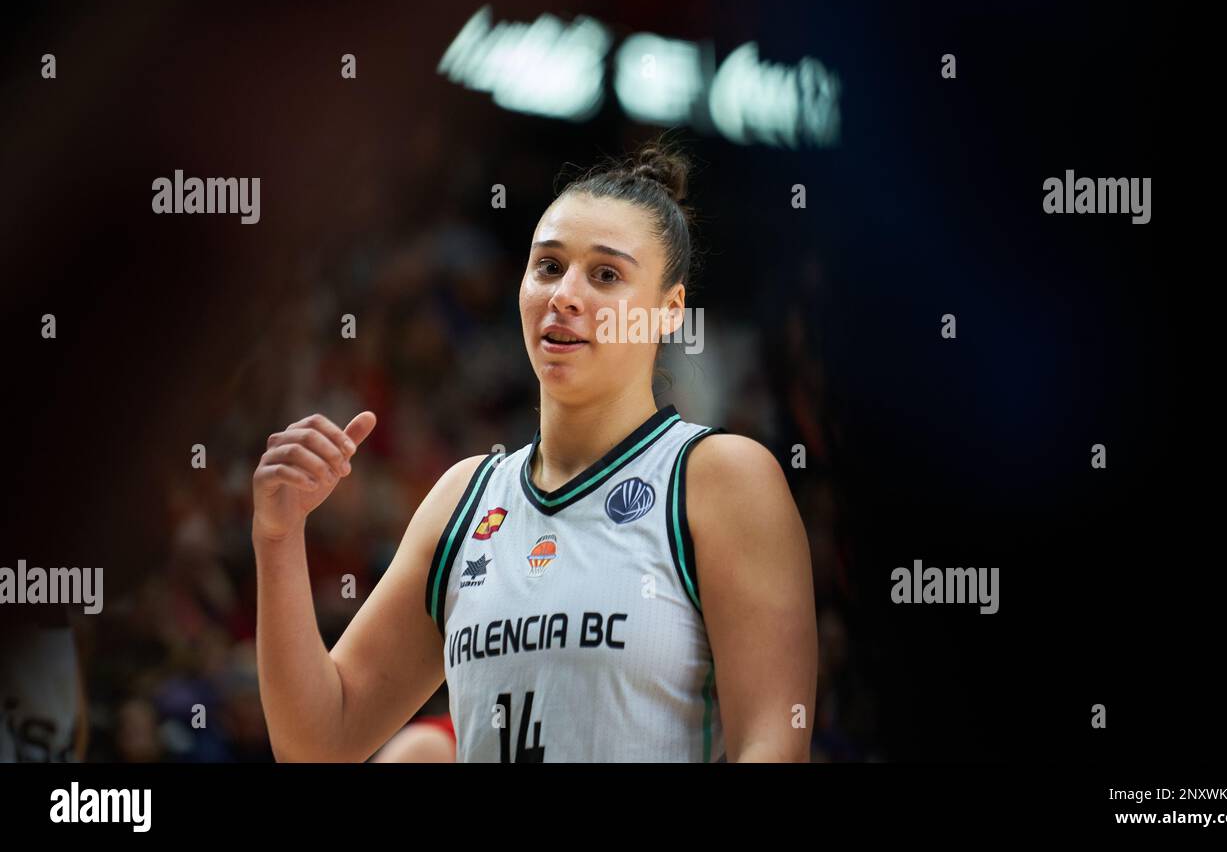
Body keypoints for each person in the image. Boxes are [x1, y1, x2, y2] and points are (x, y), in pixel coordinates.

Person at [252, 139, 818, 761]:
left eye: (605, 274)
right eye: (548, 267)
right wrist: (278, 539)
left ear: (667, 312)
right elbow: (317, 742)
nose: (565, 295)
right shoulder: (462, 500)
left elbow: (772, 744)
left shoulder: (720, 478)